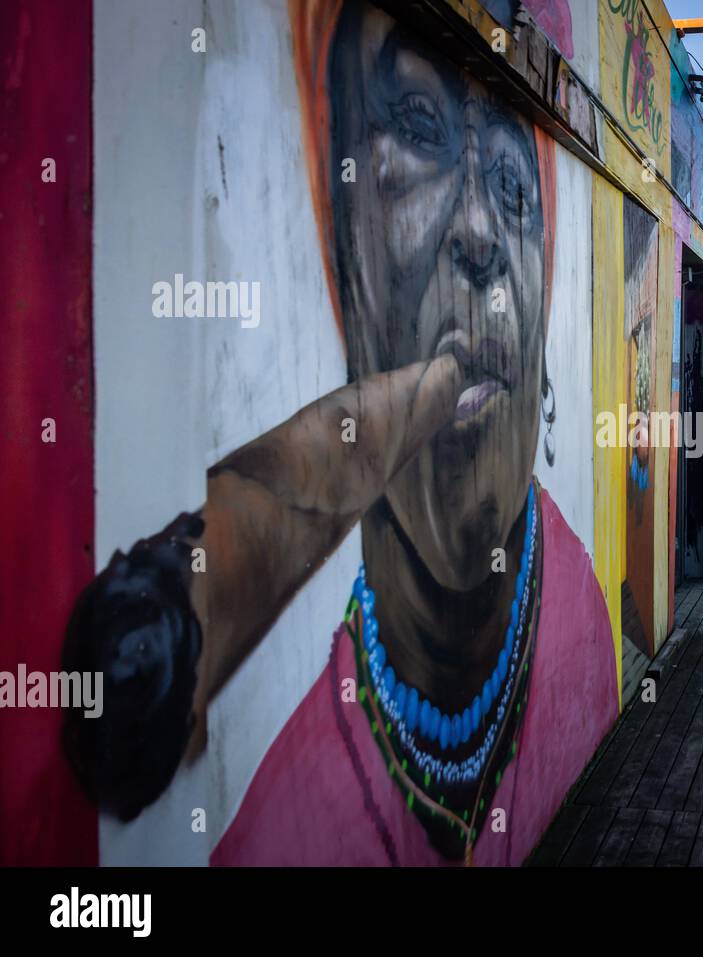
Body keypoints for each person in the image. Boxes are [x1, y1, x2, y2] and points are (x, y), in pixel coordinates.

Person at [61, 1, 617, 866]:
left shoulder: (585, 606)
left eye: (515, 188)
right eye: (413, 126)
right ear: (335, 237)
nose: (478, 231)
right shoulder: (274, 830)